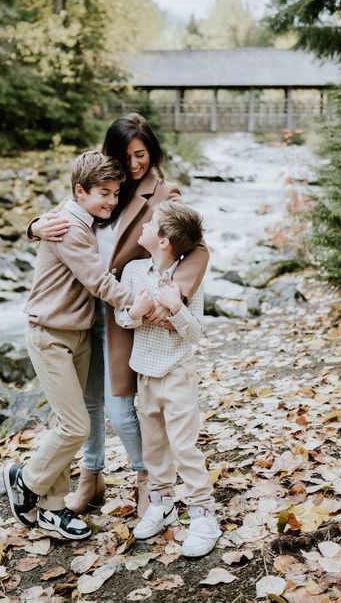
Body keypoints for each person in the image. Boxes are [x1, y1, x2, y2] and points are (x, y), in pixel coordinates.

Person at [28, 113, 209, 516]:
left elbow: (196, 248)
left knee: (120, 409)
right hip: (78, 313)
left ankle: (150, 482)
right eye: (124, 155)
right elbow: (66, 218)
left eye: (140, 155)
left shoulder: (164, 194)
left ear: (152, 152)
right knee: (87, 404)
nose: (133, 165)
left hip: (127, 313)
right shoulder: (102, 182)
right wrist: (35, 226)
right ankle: (91, 478)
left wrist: (172, 293)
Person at [3, 151, 136, 541]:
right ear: (80, 191)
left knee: (65, 423)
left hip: (77, 333)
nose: (111, 201)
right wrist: (137, 302)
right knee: (76, 426)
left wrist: (33, 226)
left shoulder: (79, 216)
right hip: (50, 334)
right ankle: (26, 482)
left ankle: (52, 509)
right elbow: (98, 281)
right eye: (104, 193)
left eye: (116, 193)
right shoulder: (68, 226)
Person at [115, 201, 221, 557]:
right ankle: (161, 501)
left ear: (163, 241)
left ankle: (203, 514)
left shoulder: (186, 281)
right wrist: (136, 311)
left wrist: (176, 308)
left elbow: (195, 334)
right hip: (144, 370)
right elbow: (121, 319)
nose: (143, 225)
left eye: (150, 223)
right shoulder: (132, 272)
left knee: (184, 444)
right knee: (154, 443)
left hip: (177, 371)